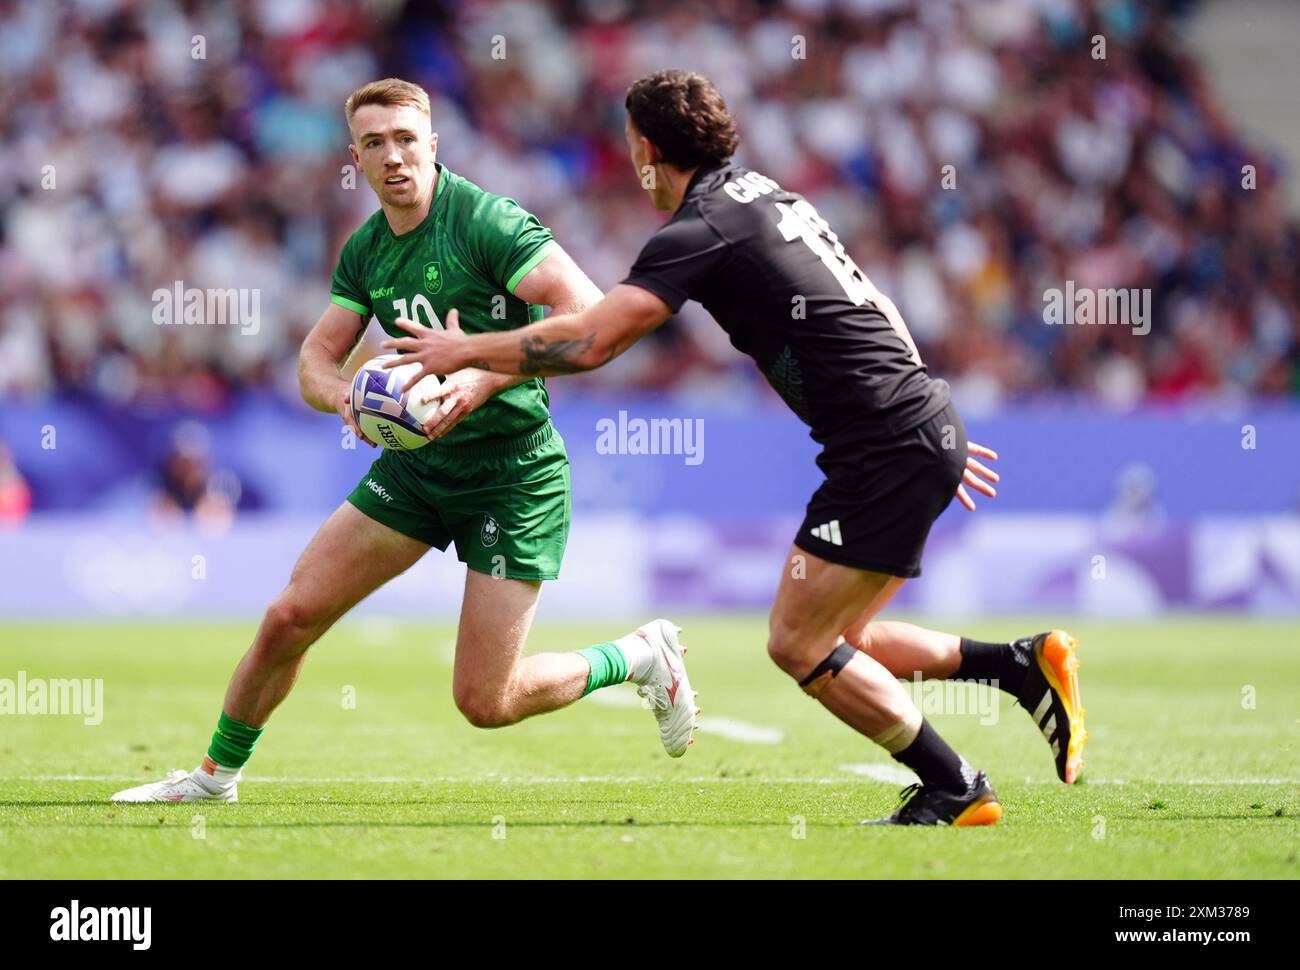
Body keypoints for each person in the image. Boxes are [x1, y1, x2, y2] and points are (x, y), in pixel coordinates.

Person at [387, 70, 1086, 826]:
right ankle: (1020, 666)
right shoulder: (771, 196)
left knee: (796, 643)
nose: (632, 165)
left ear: (650, 148)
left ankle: (954, 786)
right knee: (844, 639)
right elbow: (876, 303)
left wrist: (468, 351)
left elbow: (593, 340)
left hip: (887, 444)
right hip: (915, 422)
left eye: (632, 149)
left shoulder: (703, 224)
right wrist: (926, 415)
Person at [111, 78, 696, 804]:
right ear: (354, 158)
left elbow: (586, 310)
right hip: (419, 469)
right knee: (290, 615)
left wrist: (480, 372)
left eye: (406, 139)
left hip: (513, 476)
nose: (394, 156)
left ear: (432, 144)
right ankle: (213, 778)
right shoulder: (365, 250)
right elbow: (313, 364)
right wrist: (346, 399)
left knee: (487, 701)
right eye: (375, 144)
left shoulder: (486, 222)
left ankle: (638, 656)